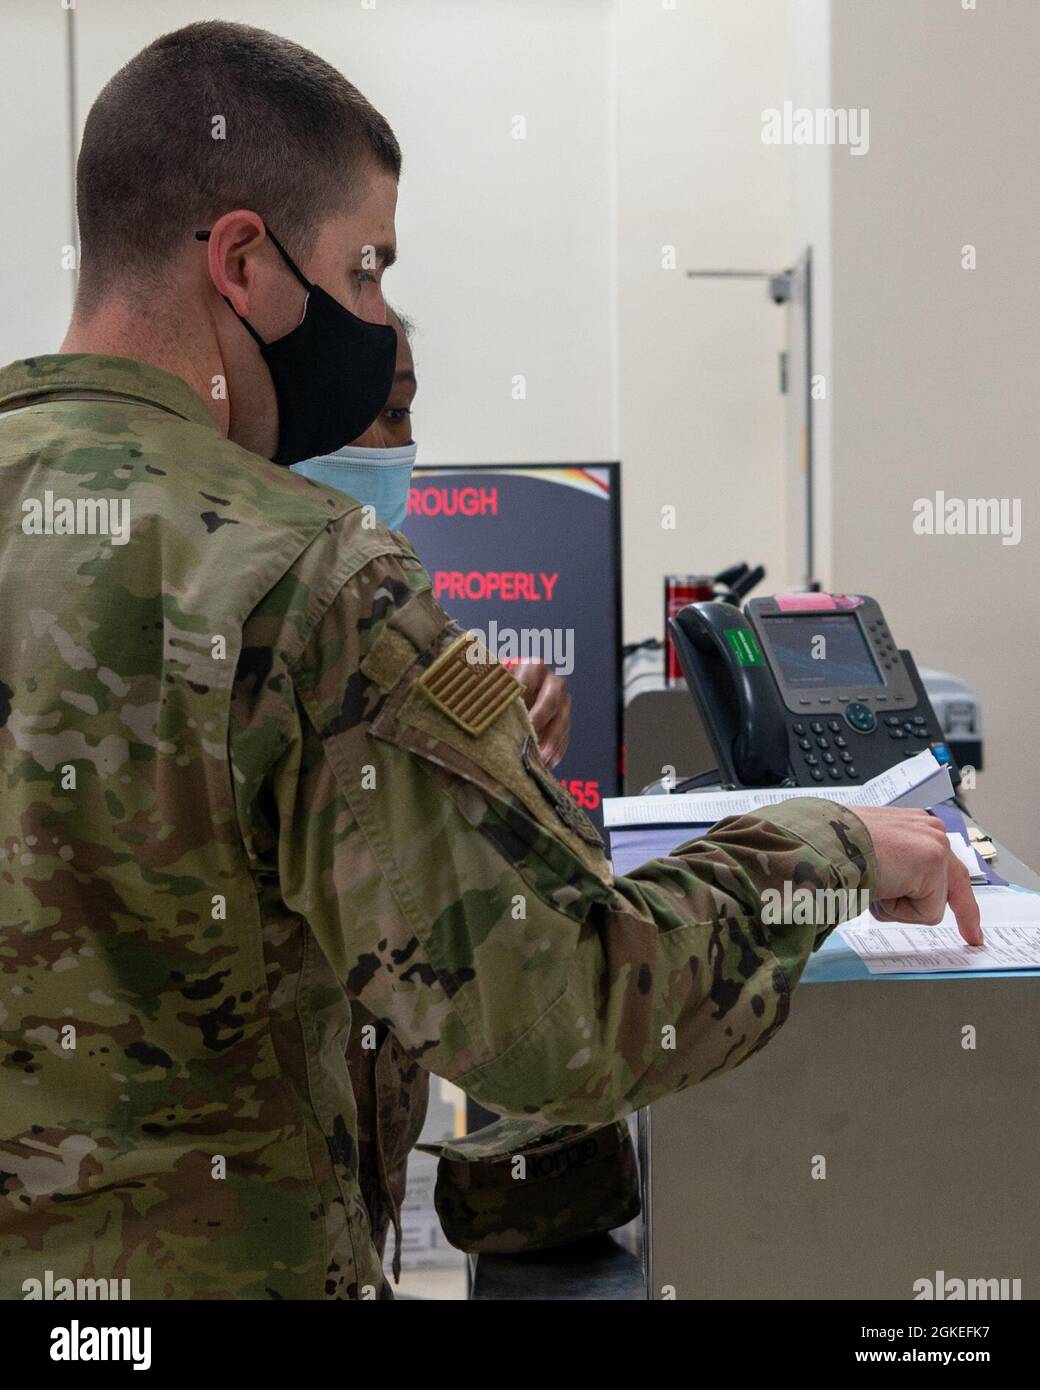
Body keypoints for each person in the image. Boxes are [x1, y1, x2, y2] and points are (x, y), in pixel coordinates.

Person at [0, 20, 980, 1302]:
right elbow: (560, 1012)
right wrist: (831, 851)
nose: (378, 321)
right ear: (242, 261)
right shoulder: (304, 574)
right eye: (363, 271)